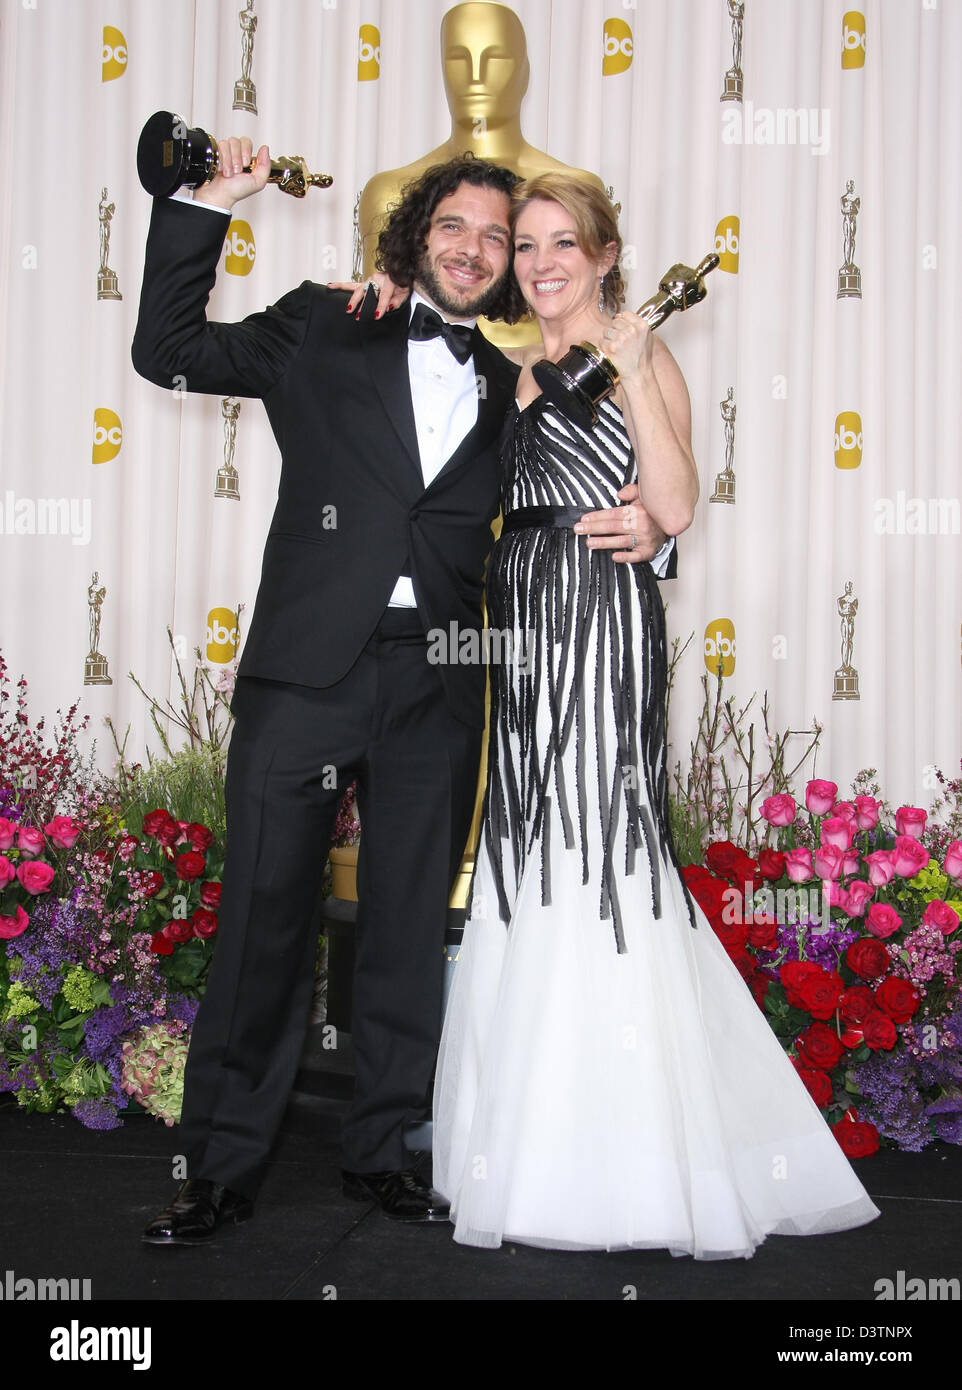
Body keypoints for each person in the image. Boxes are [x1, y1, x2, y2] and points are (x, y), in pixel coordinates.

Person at [130, 144, 663, 1243]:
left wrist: (652, 531)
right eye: (454, 226)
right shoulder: (324, 322)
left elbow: (580, 497)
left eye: (495, 236)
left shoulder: (515, 382)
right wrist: (209, 199)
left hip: (444, 676)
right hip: (306, 672)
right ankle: (220, 1168)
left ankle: (383, 1152)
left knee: (411, 922)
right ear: (416, 235)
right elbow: (166, 350)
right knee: (264, 918)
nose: (474, 248)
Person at [426, 174, 882, 1255]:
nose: (541, 263)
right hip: (524, 631)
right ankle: (526, 1154)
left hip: (601, 624)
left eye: (563, 244)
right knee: (532, 847)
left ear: (604, 254)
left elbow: (673, 505)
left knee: (601, 852)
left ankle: (623, 1173)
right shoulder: (511, 367)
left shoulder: (641, 350)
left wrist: (633, 369)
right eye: (526, 244)